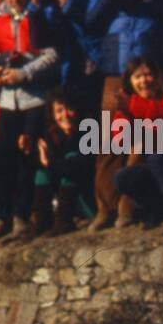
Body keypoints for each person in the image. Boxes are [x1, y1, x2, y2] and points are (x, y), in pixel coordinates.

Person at [0, 0, 59, 241]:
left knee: (26, 156)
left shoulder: (38, 19)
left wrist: (25, 74)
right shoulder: (0, 22)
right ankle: (2, 215)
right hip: (8, 101)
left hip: (33, 100)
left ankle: (22, 218)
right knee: (1, 157)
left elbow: (52, 55)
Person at [110, 57, 163, 234]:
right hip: (154, 164)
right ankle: (157, 210)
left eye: (148, 75)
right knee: (122, 177)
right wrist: (126, 113)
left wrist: (134, 107)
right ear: (130, 82)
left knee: (157, 158)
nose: (143, 81)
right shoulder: (128, 104)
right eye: (137, 77)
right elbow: (121, 139)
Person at [32, 88, 94, 235]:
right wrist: (43, 159)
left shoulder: (88, 131)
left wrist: (49, 162)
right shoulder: (52, 134)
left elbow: (80, 166)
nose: (64, 115)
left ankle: (64, 221)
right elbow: (45, 165)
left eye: (69, 109)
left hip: (88, 197)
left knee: (70, 160)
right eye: (59, 110)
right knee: (42, 171)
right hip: (64, 197)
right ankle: (42, 220)